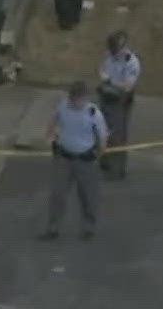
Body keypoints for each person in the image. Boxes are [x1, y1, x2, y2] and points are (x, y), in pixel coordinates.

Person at [41, 81, 108, 240]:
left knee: (88, 195)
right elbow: (54, 120)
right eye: (74, 99)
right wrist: (50, 135)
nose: (76, 103)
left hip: (85, 159)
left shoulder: (93, 113)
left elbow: (102, 136)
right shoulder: (63, 106)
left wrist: (99, 153)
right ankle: (53, 228)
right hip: (64, 157)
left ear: (85, 98)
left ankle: (88, 227)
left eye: (79, 99)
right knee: (58, 194)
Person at [97, 30, 141, 180]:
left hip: (120, 99)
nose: (115, 53)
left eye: (117, 50)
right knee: (103, 129)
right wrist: (104, 78)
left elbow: (128, 86)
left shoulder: (131, 62)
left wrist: (111, 82)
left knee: (118, 135)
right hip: (106, 95)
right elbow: (102, 69)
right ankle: (104, 161)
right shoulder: (108, 56)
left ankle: (118, 169)